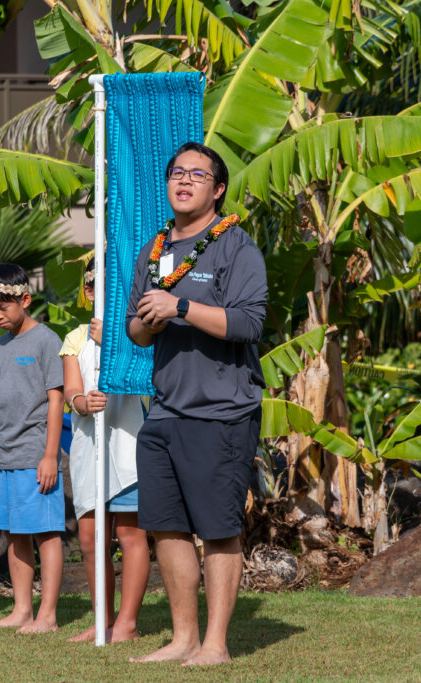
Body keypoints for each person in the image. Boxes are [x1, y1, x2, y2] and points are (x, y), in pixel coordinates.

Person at [125, 141, 267, 666]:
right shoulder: (155, 248)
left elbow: (249, 323)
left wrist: (180, 306)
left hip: (221, 411)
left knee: (218, 529)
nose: (184, 181)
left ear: (218, 189)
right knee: (166, 525)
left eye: (197, 175)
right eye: (177, 173)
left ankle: (215, 644)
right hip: (165, 408)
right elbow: (135, 330)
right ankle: (184, 637)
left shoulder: (236, 247)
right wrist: (150, 320)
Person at [60, 259, 149, 643]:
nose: (105, 295)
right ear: (88, 291)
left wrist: (114, 340)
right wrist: (82, 403)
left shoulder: (139, 335)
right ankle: (102, 621)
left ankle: (126, 624)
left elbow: (147, 375)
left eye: (114, 288)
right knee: (91, 539)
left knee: (130, 535)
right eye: (97, 287)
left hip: (129, 447)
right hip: (89, 449)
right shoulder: (75, 338)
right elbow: (71, 390)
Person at [0, 263, 65, 633]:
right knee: (14, 533)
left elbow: (56, 400)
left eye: (3, 307)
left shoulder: (47, 341)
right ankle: (22, 610)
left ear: (25, 299)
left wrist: (50, 456)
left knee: (46, 533)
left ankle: (48, 615)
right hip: (3, 458)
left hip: (35, 455)